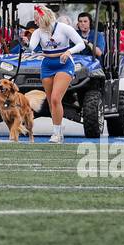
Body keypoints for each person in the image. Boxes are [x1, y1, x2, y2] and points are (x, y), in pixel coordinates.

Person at [28, 8, 84, 144]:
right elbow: (32, 46)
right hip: (47, 64)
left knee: (55, 98)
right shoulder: (38, 32)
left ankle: (56, 134)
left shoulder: (63, 28)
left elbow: (81, 44)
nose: (35, 23)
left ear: (42, 18)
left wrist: (69, 52)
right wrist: (30, 44)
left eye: (36, 20)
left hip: (64, 63)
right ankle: (58, 129)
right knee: (50, 101)